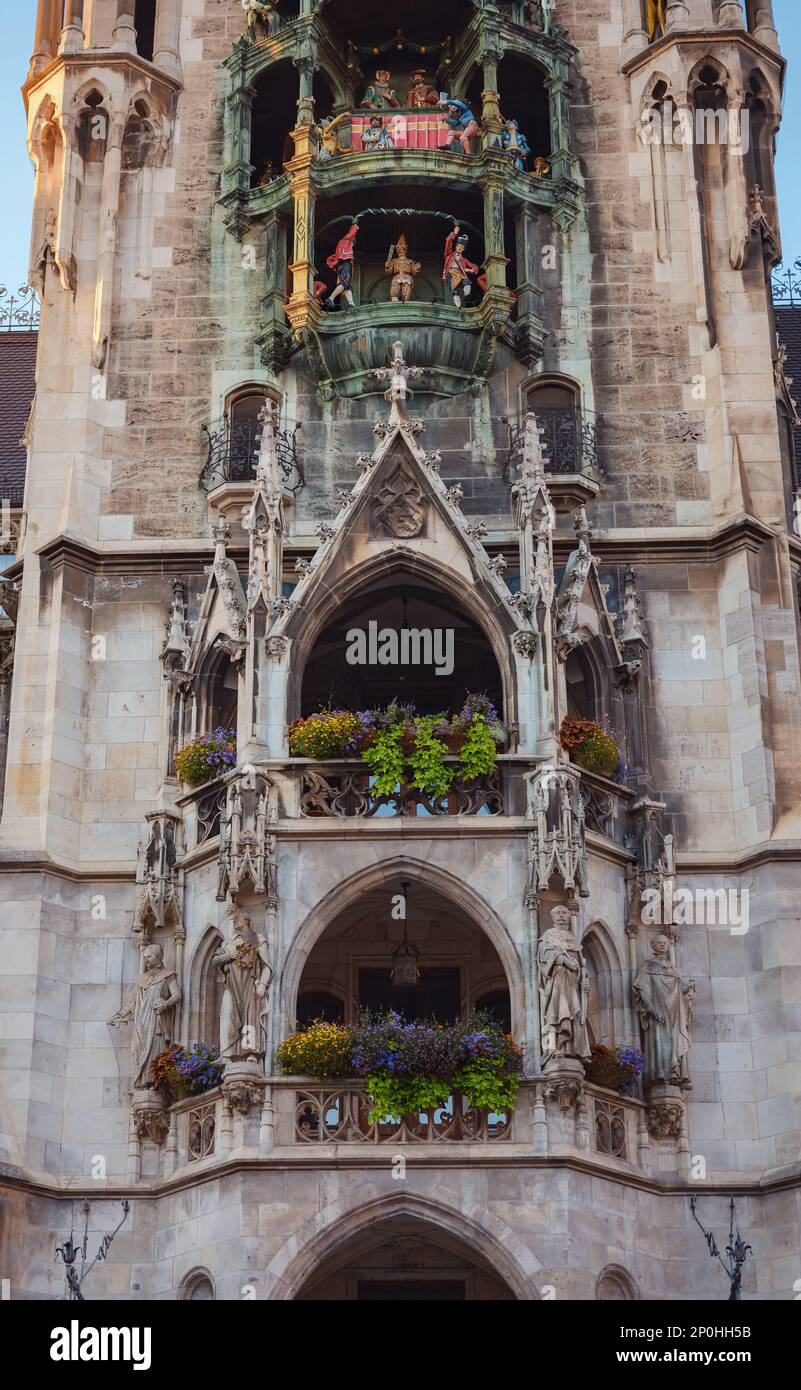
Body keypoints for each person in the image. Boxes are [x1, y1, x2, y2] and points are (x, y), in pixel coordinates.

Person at [107, 943, 182, 1091]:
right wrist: (118, 1016)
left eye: (149, 956)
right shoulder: (142, 979)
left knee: (154, 1050)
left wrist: (165, 1004)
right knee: (138, 1051)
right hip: (140, 1024)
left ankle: (153, 1084)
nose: (146, 959)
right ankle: (141, 1083)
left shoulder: (167, 975)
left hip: (155, 1023)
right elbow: (131, 1003)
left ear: (158, 957)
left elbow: (177, 995)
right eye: (145, 956)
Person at [442, 225, 485, 307]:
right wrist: (454, 233)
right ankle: (456, 297)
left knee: (467, 283)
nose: (459, 248)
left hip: (461, 274)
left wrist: (473, 269)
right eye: (458, 246)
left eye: (461, 247)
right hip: (451, 272)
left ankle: (466, 294)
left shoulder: (464, 260)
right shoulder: (449, 255)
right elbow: (448, 241)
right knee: (452, 287)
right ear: (455, 247)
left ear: (463, 249)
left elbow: (474, 266)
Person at [325, 222, 359, 310]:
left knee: (347, 286)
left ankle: (351, 304)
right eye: (352, 245)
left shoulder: (339, 248)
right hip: (345, 264)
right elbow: (351, 234)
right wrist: (355, 226)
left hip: (341, 266)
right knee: (344, 283)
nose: (351, 247)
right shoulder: (346, 241)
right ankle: (331, 298)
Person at [385, 234, 421, 303]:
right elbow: (388, 273)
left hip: (407, 278)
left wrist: (417, 268)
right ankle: (395, 304)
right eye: (398, 249)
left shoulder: (411, 261)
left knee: (406, 294)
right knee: (394, 292)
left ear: (405, 250)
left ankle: (405, 303)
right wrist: (387, 267)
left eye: (401, 249)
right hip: (396, 277)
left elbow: (414, 273)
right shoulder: (393, 261)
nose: (399, 251)